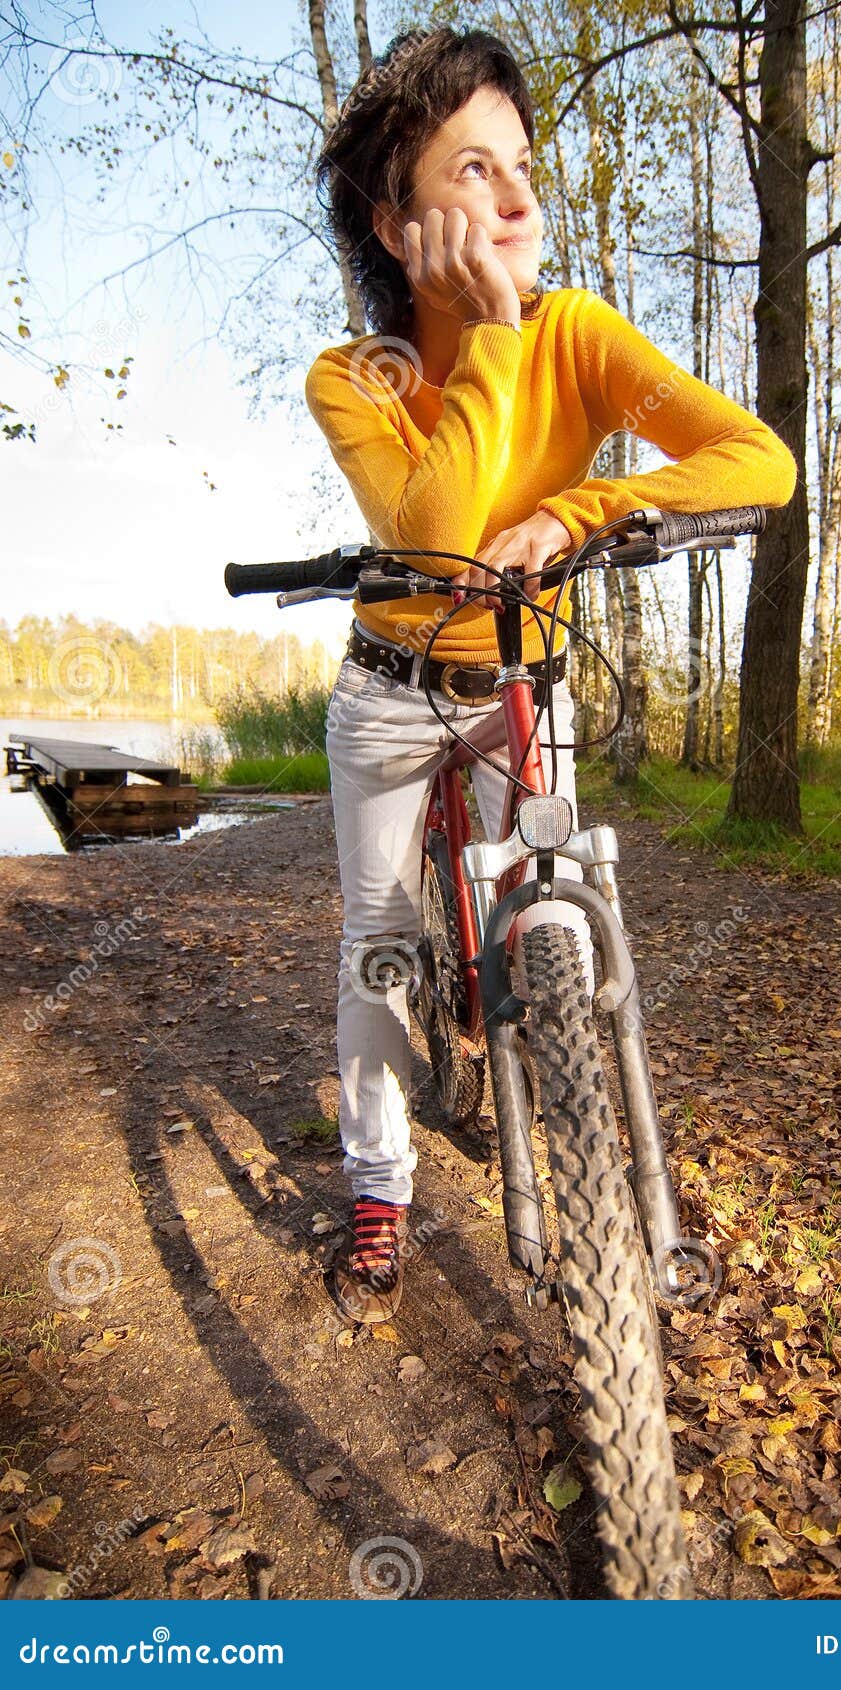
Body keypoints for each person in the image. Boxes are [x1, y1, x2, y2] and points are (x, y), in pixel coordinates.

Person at [306, 24, 797, 1324]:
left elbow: (760, 461)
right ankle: (377, 1185)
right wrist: (492, 334)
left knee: (555, 904)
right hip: (392, 688)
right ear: (397, 225)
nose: (518, 196)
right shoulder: (357, 378)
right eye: (473, 171)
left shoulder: (582, 331)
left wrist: (580, 511)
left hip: (523, 672)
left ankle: (575, 1118)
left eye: (521, 163)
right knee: (375, 941)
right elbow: (435, 532)